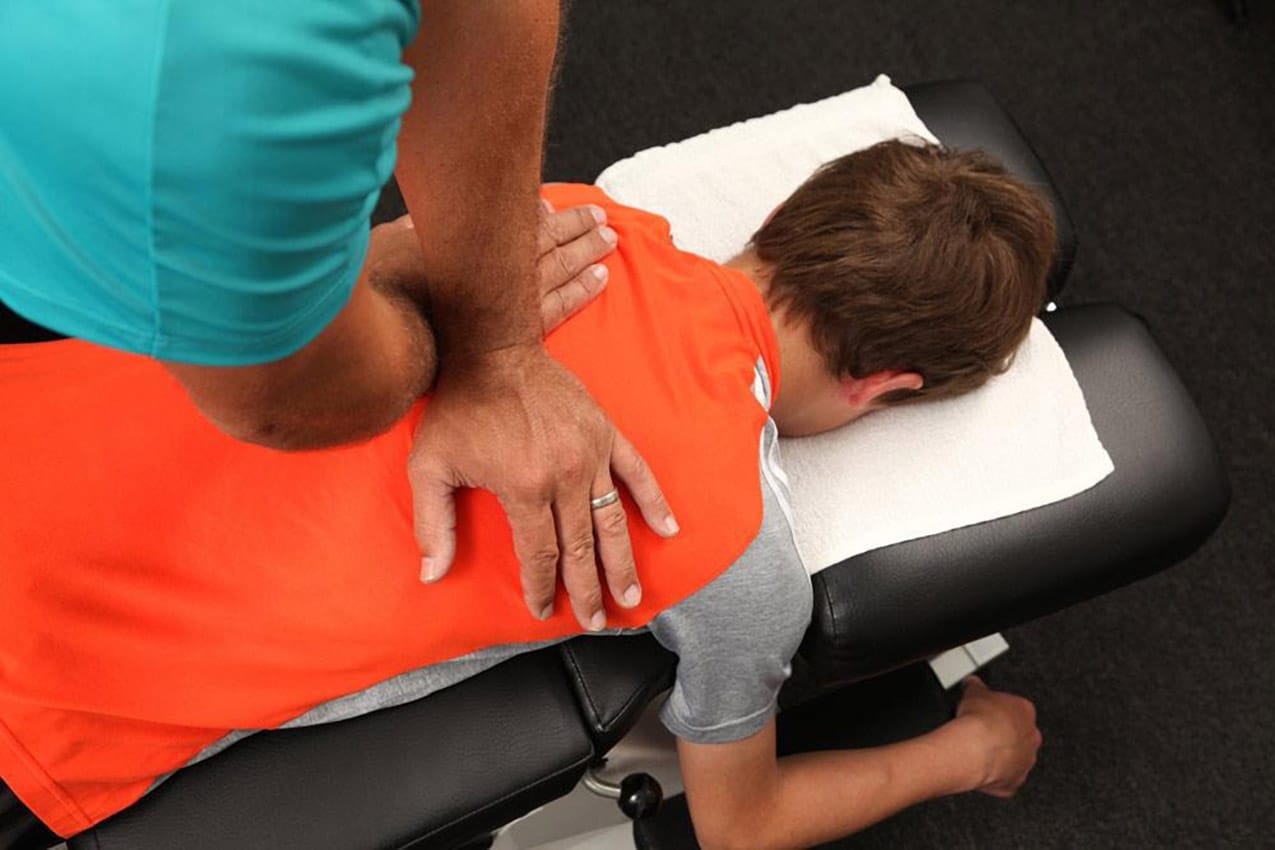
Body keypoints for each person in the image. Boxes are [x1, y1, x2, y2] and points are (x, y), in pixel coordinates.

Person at [0, 140, 1055, 846]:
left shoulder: (563, 217)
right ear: (887, 386)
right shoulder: (734, 548)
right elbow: (743, 825)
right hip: (41, 701)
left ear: (781, 214)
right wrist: (969, 751)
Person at [0, 0, 676, 637]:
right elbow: (289, 401)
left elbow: (484, 17)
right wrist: (395, 298)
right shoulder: (190, 100)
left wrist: (496, 342)